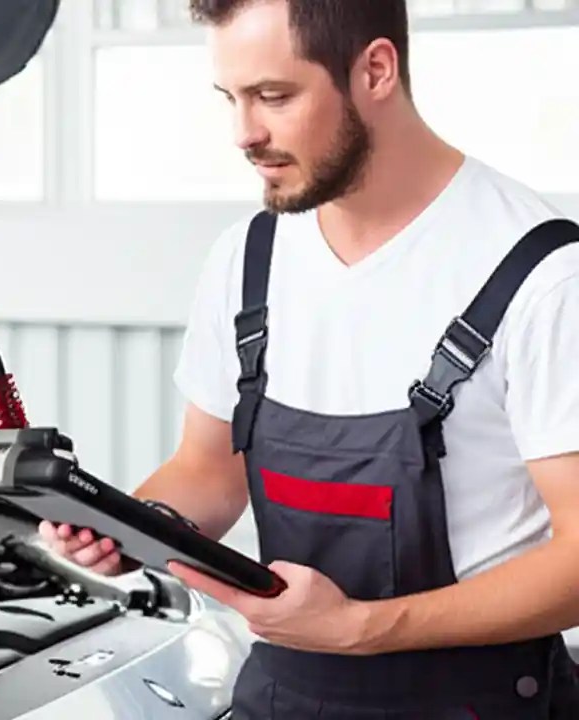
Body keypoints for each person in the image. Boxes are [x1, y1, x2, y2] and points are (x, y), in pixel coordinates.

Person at [38, 0, 579, 717]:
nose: (244, 133)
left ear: (376, 70)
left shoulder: (541, 274)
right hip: (285, 695)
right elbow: (207, 471)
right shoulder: (247, 260)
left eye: (274, 96)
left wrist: (360, 630)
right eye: (230, 99)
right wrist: (136, 524)